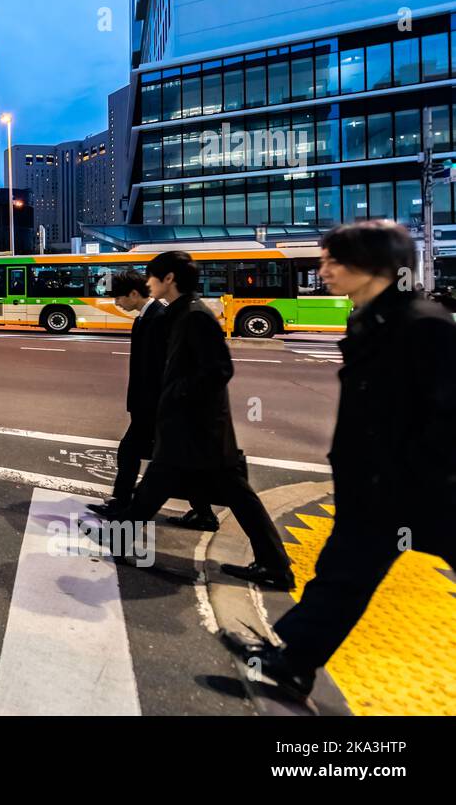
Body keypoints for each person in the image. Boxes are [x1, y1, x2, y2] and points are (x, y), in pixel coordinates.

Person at [222, 221, 456, 700]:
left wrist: (411, 477)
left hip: (418, 489)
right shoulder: (369, 318)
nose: (323, 270)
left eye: (334, 261)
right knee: (342, 573)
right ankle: (294, 661)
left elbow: (445, 417)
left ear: (373, 265)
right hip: (370, 485)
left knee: (347, 571)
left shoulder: (423, 323)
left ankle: (294, 658)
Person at [117, 251, 293, 589]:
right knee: (170, 491)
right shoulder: (181, 313)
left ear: (169, 279)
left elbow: (219, 370)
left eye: (152, 276)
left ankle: (116, 541)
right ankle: (275, 565)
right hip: (196, 430)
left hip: (197, 429)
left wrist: (177, 396)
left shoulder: (195, 315)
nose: (148, 281)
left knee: (157, 490)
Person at [88, 271, 167, 519]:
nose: (116, 303)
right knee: (166, 460)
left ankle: (122, 505)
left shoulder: (158, 318)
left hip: (153, 406)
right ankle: (202, 510)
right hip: (147, 405)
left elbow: (159, 368)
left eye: (118, 297)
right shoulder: (145, 318)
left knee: (135, 454)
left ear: (134, 294)